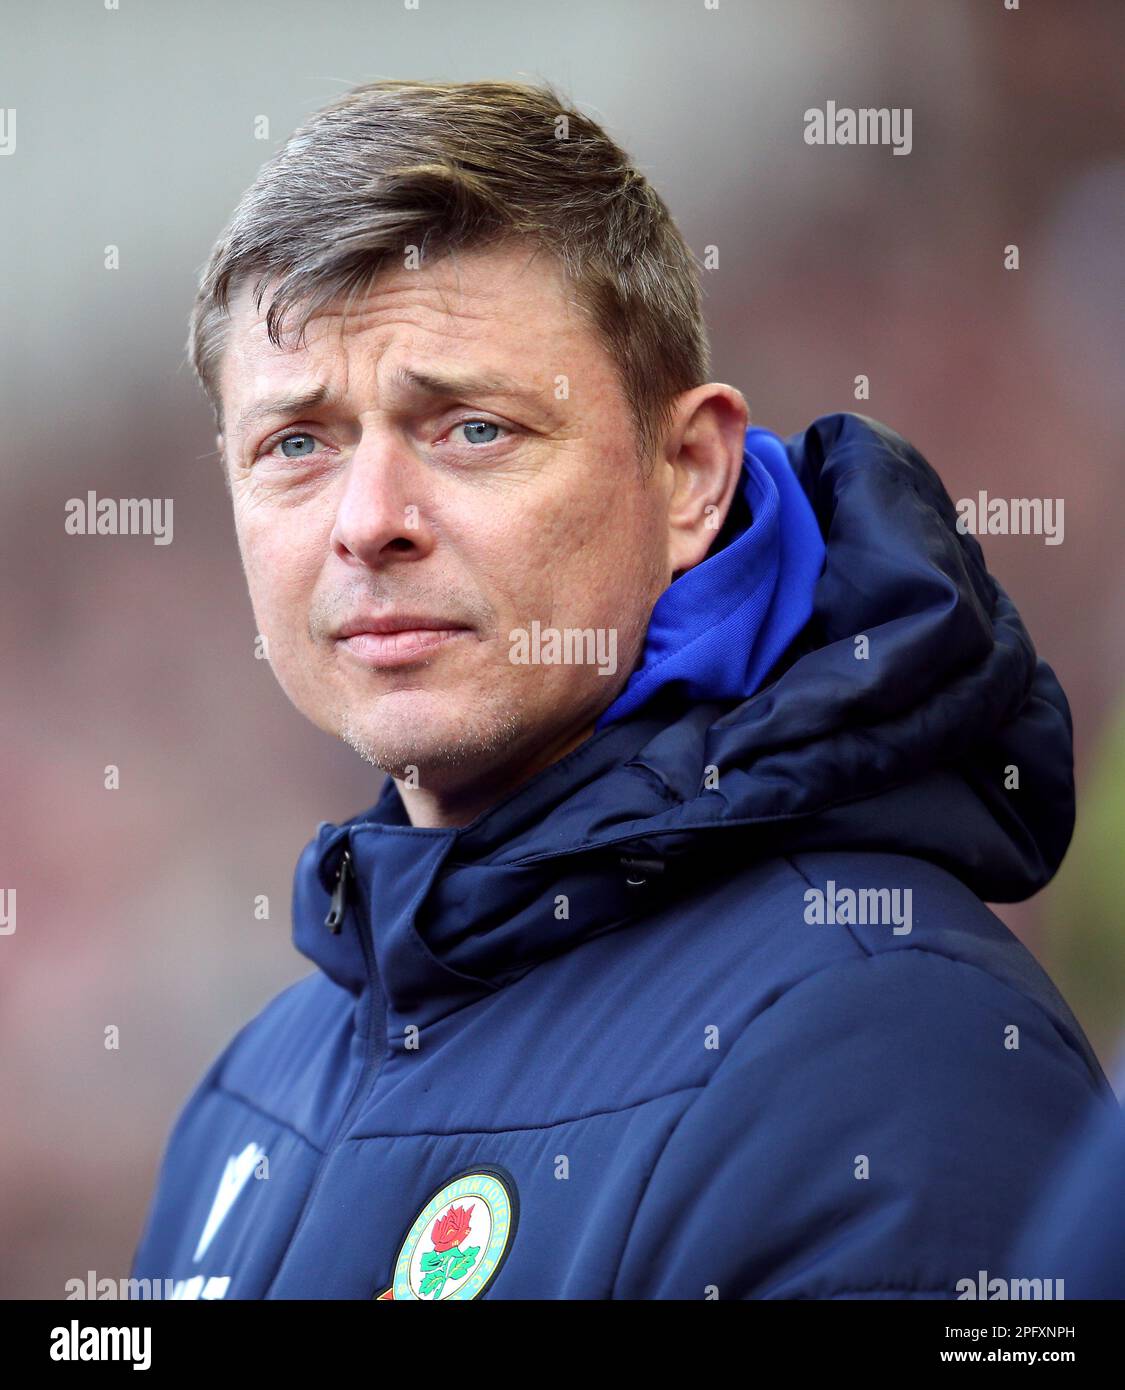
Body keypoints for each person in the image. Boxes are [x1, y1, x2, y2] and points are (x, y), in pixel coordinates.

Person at [129, 79, 1115, 1300]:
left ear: (691, 474)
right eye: (296, 445)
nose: (369, 522)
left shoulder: (893, 1044)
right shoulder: (248, 1096)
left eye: (471, 429)